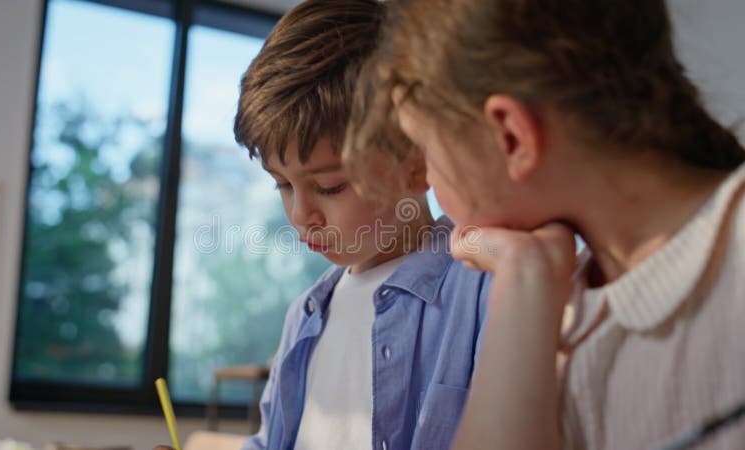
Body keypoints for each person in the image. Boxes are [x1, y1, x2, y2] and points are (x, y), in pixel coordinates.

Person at [344, 0, 745, 449]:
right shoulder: (564, 301)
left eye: (425, 149)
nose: (427, 180)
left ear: (511, 137)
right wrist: (524, 278)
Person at [231, 1, 489, 449]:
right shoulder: (304, 318)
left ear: (417, 161)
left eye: (329, 186)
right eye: (282, 186)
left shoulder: (483, 291)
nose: (299, 215)